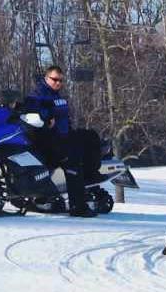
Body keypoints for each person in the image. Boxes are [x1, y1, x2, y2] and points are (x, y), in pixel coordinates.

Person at [24, 65, 97, 218]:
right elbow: (32, 109)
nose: (58, 83)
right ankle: (78, 206)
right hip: (48, 140)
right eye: (55, 80)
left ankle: (91, 177)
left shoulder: (56, 95)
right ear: (46, 78)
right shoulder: (38, 94)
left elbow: (63, 117)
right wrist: (47, 116)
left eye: (61, 80)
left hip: (63, 135)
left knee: (91, 137)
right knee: (72, 162)